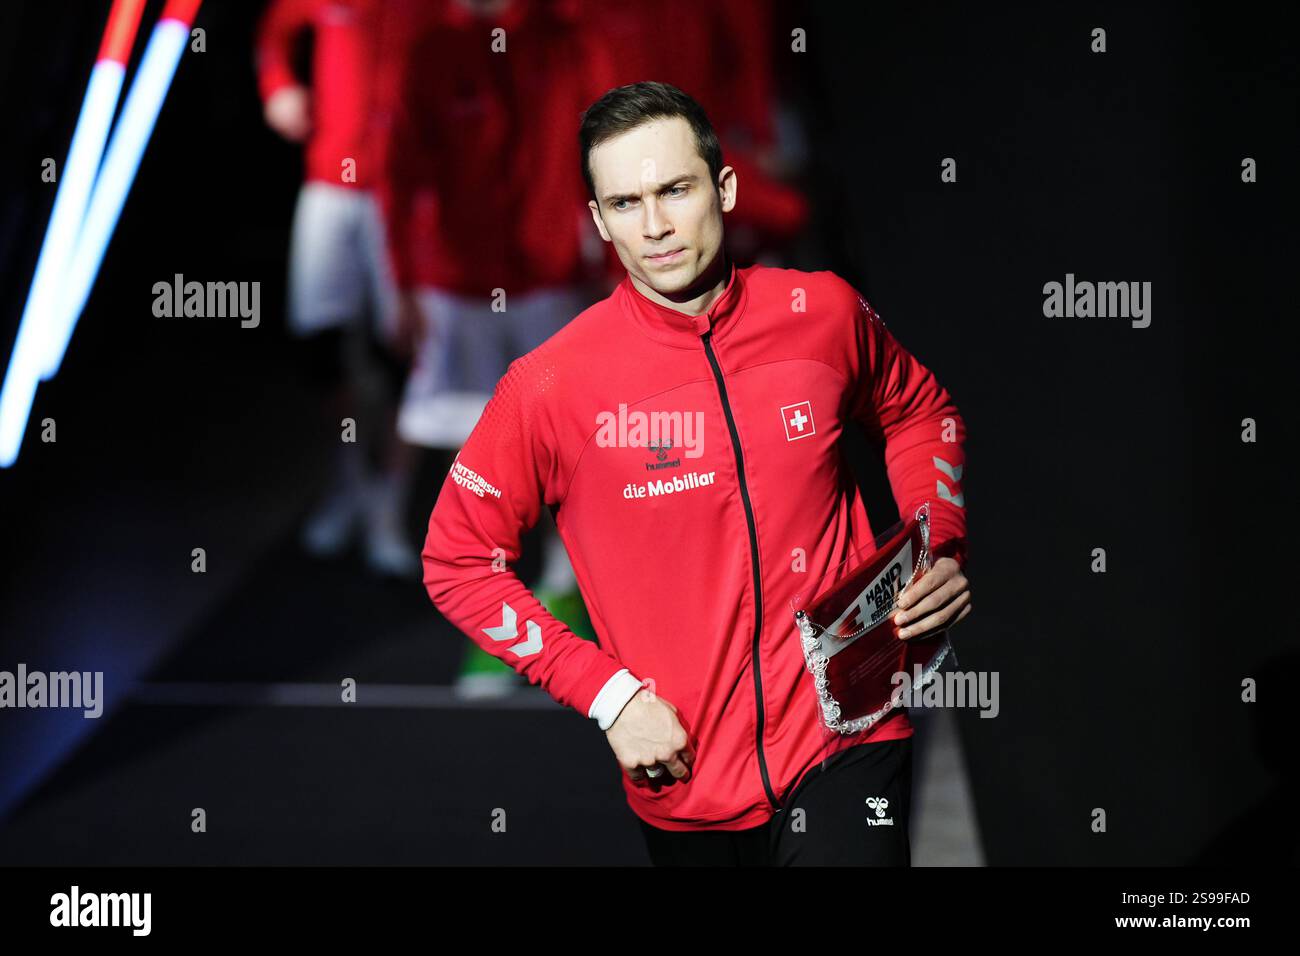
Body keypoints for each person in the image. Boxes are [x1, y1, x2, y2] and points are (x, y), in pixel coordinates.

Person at [421, 82, 972, 865]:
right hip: (687, 778)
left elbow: (922, 410)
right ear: (599, 220)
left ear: (725, 187)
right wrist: (609, 699)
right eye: (624, 203)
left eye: (675, 190)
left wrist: (937, 541)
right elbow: (457, 561)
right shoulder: (551, 386)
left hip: (851, 736)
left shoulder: (821, 314)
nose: (654, 227)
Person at [384, 0, 612, 695]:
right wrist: (402, 282)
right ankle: (499, 620)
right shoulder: (430, 52)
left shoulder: (569, 40)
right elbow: (399, 173)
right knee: (478, 454)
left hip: (550, 279)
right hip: (458, 288)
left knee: (570, 447)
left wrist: (612, 268)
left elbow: (611, 150)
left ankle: (567, 590)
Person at [256, 0, 419, 578]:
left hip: (406, 193)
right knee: (320, 350)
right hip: (329, 183)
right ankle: (347, 484)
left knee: (404, 353)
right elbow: (275, 31)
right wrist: (279, 86)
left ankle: (388, 511)